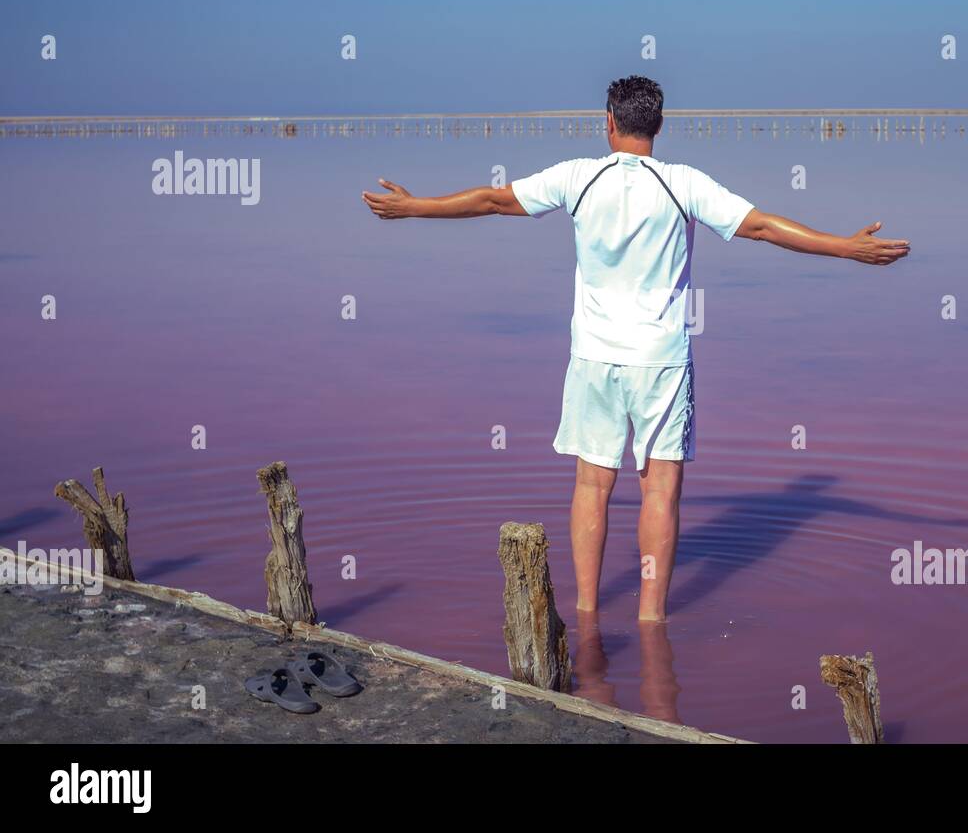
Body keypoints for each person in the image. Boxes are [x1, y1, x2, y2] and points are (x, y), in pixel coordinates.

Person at [362, 75, 909, 621]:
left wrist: (415, 208)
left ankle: (585, 612)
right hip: (661, 362)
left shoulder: (578, 176)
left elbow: (491, 199)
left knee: (592, 486)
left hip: (594, 358)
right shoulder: (684, 183)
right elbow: (763, 227)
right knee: (660, 494)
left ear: (608, 122)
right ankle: (651, 621)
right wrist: (845, 248)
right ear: (660, 125)